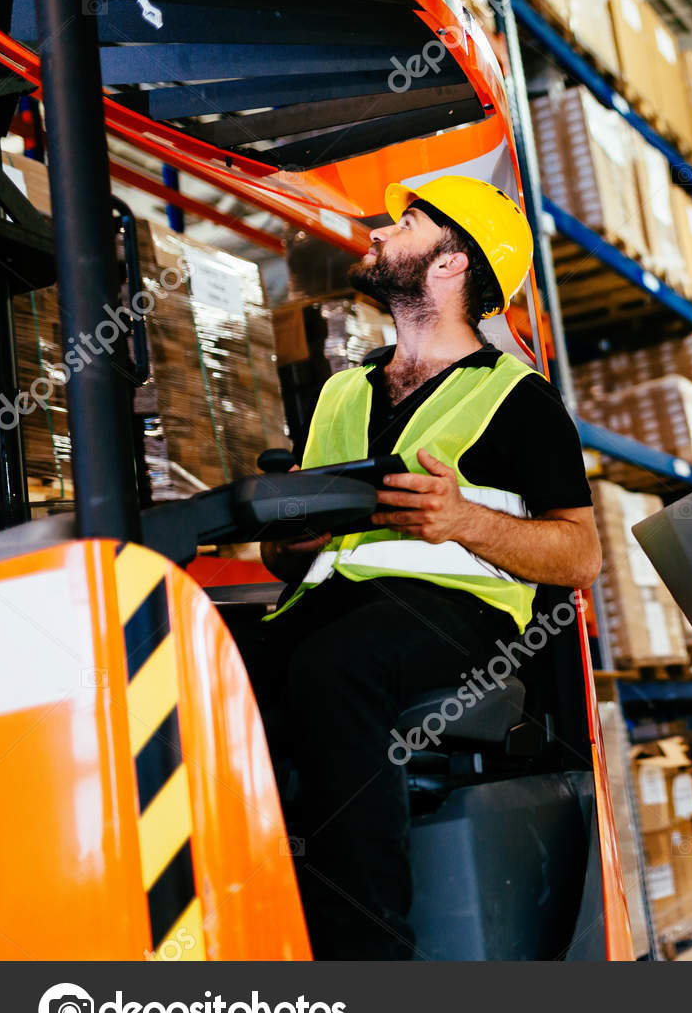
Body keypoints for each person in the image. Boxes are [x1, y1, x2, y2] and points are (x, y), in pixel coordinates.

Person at [239, 176, 601, 960]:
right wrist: (292, 538)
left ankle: (372, 953)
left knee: (337, 670)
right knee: (217, 670)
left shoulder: (519, 399)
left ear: (450, 265)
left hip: (456, 618)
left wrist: (462, 518)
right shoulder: (341, 392)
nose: (377, 233)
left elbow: (580, 553)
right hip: (332, 602)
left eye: (406, 224)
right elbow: (282, 549)